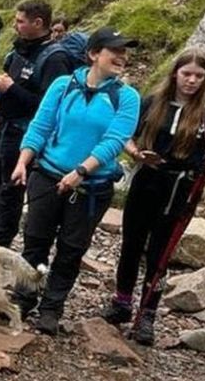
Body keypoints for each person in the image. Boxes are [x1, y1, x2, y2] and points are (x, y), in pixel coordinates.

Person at [10, 27, 141, 335]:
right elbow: (40, 126)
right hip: (47, 174)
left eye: (124, 52)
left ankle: (52, 308)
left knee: (71, 249)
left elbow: (115, 140)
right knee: (35, 240)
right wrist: (22, 161)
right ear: (94, 54)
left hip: (91, 187)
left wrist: (81, 171)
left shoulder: (127, 97)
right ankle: (24, 297)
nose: (122, 57)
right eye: (115, 51)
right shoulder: (63, 85)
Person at [101, 49, 205, 345]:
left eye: (198, 76)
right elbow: (128, 135)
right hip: (147, 178)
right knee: (131, 242)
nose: (192, 81)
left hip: (181, 188)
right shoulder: (153, 102)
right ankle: (122, 301)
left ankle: (147, 313)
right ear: (175, 73)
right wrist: (136, 154)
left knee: (160, 253)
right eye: (187, 74)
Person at [0, 0, 73, 248]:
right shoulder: (18, 49)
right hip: (3, 126)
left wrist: (12, 89)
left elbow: (50, 107)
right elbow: (5, 85)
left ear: (38, 23)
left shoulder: (55, 59)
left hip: (24, 132)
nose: (15, 25)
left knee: (11, 191)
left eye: (21, 21)